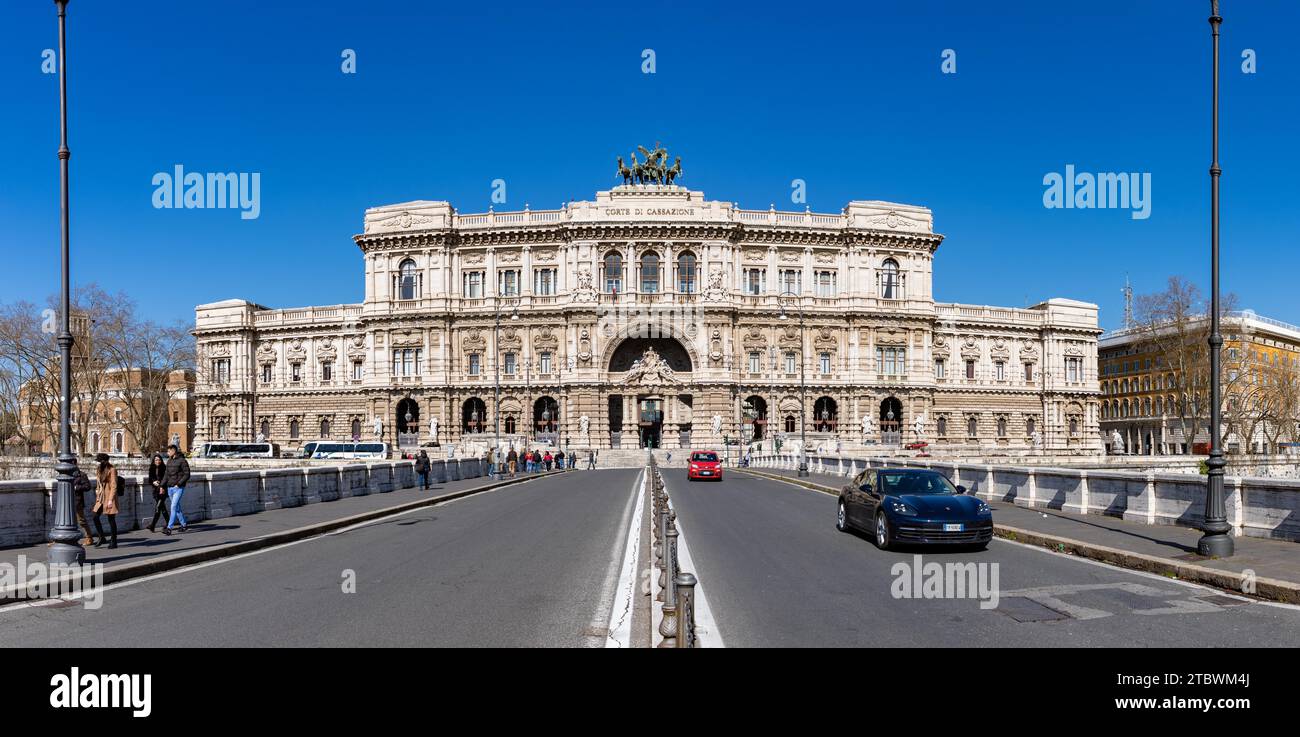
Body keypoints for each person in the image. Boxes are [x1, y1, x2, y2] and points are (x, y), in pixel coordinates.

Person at [91, 453, 120, 549]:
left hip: (109, 496)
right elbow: (98, 482)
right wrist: (97, 491)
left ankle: (114, 541)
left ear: (105, 461)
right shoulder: (99, 469)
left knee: (111, 519)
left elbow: (114, 485)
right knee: (95, 516)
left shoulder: (112, 470)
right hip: (101, 496)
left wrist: (111, 500)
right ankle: (101, 537)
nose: (99, 463)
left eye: (100, 461)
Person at [162, 443, 190, 535]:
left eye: (169, 451)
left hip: (178, 488)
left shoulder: (182, 461)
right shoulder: (169, 461)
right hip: (170, 488)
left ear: (173, 451)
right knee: (177, 508)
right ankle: (184, 525)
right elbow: (166, 475)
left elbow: (187, 474)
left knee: (173, 507)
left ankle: (169, 528)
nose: (167, 452)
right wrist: (162, 486)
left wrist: (179, 484)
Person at [145, 453, 170, 533]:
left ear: (161, 460)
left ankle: (152, 525)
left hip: (162, 490)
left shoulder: (164, 468)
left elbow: (166, 479)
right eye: (156, 460)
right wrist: (153, 482)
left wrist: (162, 486)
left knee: (158, 508)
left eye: (159, 460)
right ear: (154, 461)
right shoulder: (151, 468)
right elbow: (149, 479)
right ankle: (169, 523)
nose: (157, 461)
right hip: (155, 491)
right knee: (162, 508)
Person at [71, 465, 95, 545]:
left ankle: (89, 537)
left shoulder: (82, 475)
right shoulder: (66, 474)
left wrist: (76, 487)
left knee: (81, 520)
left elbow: (88, 486)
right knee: (61, 520)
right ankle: (58, 539)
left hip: (77, 501)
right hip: (66, 500)